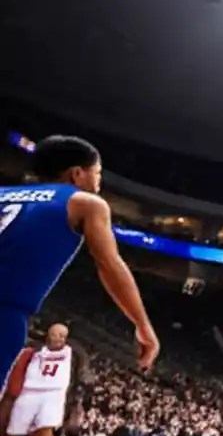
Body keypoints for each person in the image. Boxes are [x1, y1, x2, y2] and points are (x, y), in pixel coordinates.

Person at [0, 136, 159, 379]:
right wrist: (143, 326)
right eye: (97, 173)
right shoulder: (85, 202)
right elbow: (110, 265)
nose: (98, 182)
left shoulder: (4, 193)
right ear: (77, 174)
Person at [0, 323, 74, 436]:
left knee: (43, 432)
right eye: (55, 334)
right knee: (13, 433)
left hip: (53, 395)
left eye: (62, 336)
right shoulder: (33, 351)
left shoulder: (71, 352)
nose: (58, 338)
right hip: (28, 393)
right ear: (48, 334)